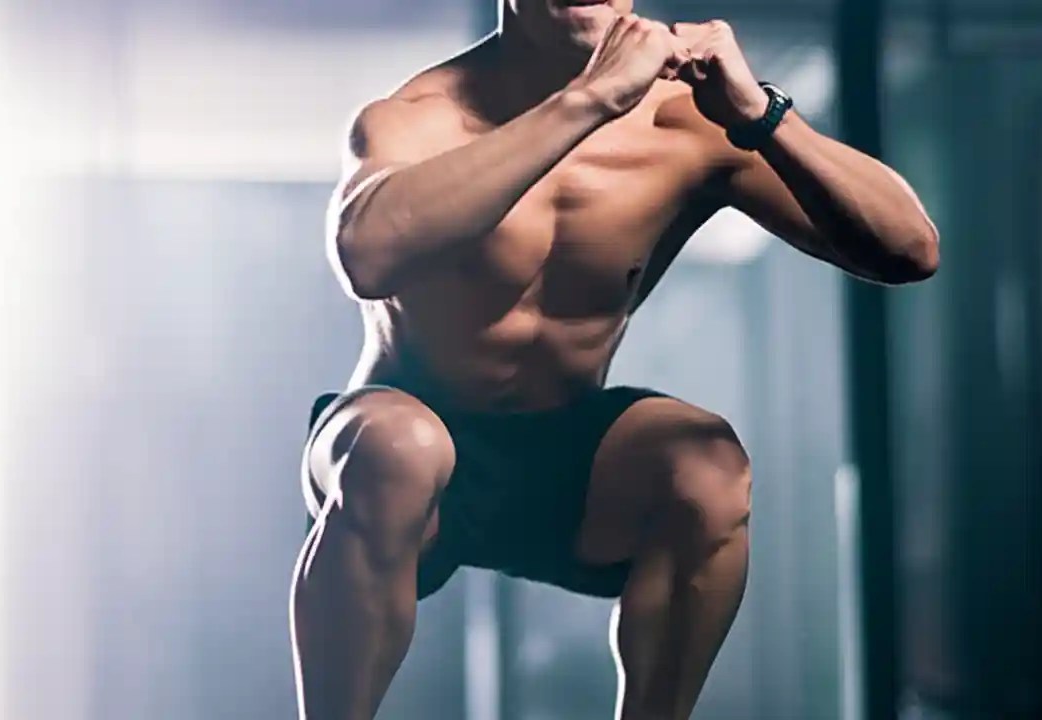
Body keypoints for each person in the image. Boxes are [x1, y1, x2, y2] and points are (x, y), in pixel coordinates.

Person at [290, 1, 939, 718]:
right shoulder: (417, 116)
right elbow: (368, 257)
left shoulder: (687, 124)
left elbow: (911, 250)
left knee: (707, 467)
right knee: (398, 448)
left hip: (567, 463)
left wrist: (758, 111)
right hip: (403, 463)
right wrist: (587, 99)